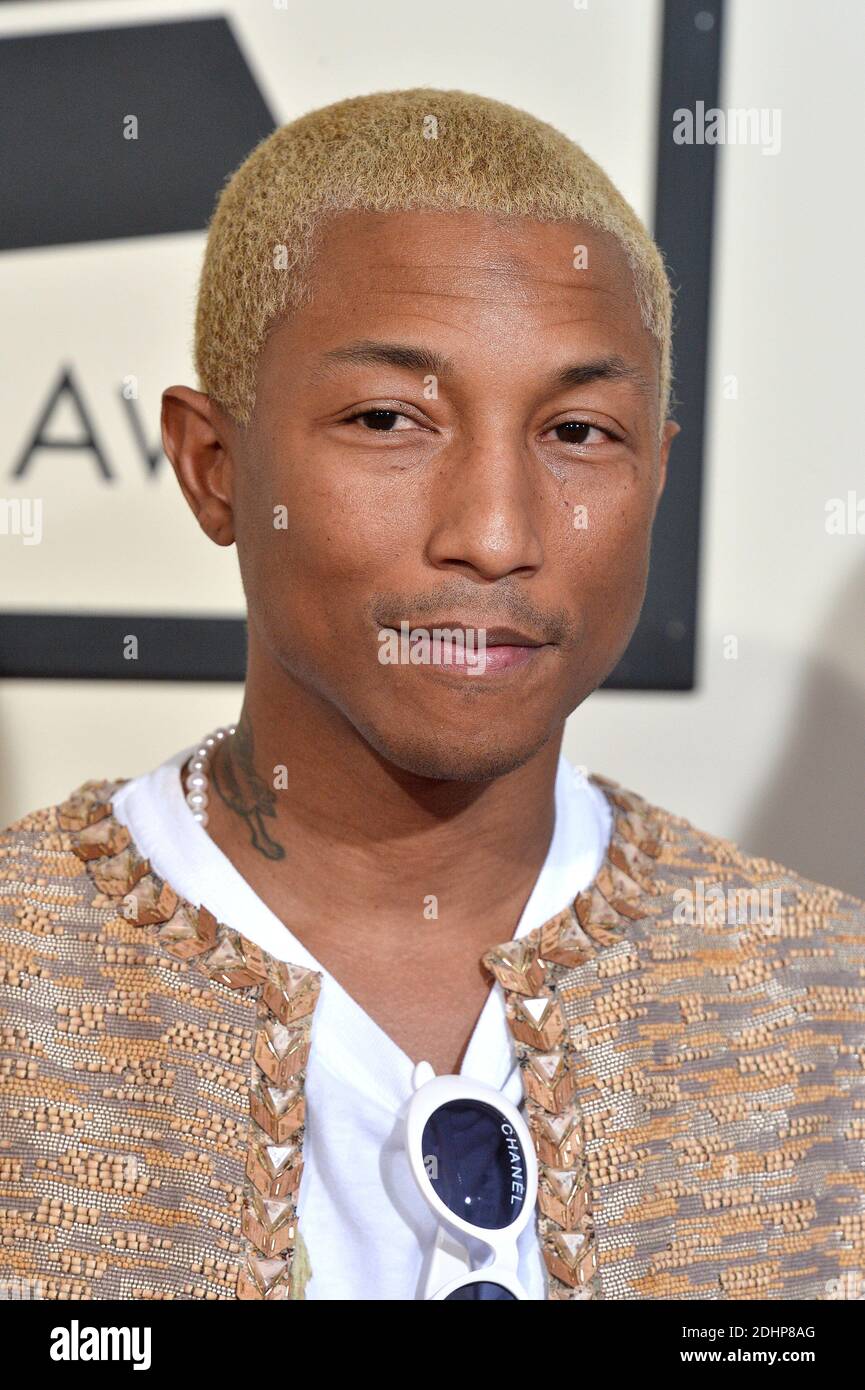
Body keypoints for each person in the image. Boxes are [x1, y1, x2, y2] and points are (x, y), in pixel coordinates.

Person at [2, 88, 862, 1303]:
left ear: (658, 479)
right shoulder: (25, 976)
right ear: (213, 466)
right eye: (389, 419)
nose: (497, 533)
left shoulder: (823, 1011)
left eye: (576, 430)